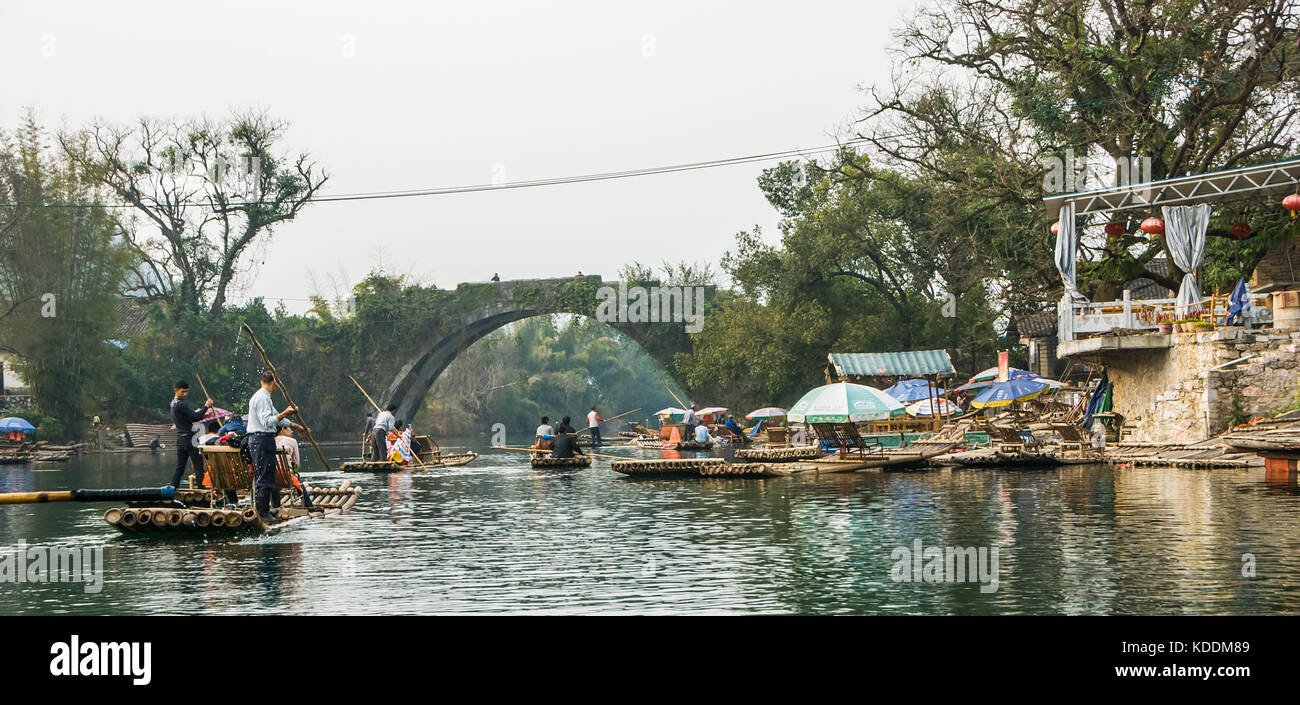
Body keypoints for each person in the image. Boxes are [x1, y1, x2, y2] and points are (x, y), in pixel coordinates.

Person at [247, 370, 297, 521]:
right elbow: (267, 421)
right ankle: (262, 513)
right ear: (274, 384)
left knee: (268, 473)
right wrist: (286, 412)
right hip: (261, 439)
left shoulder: (265, 397)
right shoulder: (262, 398)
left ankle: (265, 510)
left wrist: (296, 425)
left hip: (264, 439)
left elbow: (279, 419)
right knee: (264, 476)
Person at [169, 380, 213, 488]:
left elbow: (189, 418)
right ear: (176, 390)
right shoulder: (180, 405)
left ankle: (173, 487)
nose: (185, 394)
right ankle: (201, 487)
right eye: (182, 392)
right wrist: (206, 406)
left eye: (186, 392)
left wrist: (204, 415)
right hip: (189, 438)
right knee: (198, 463)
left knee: (180, 467)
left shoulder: (173, 404)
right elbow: (195, 417)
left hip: (180, 438)